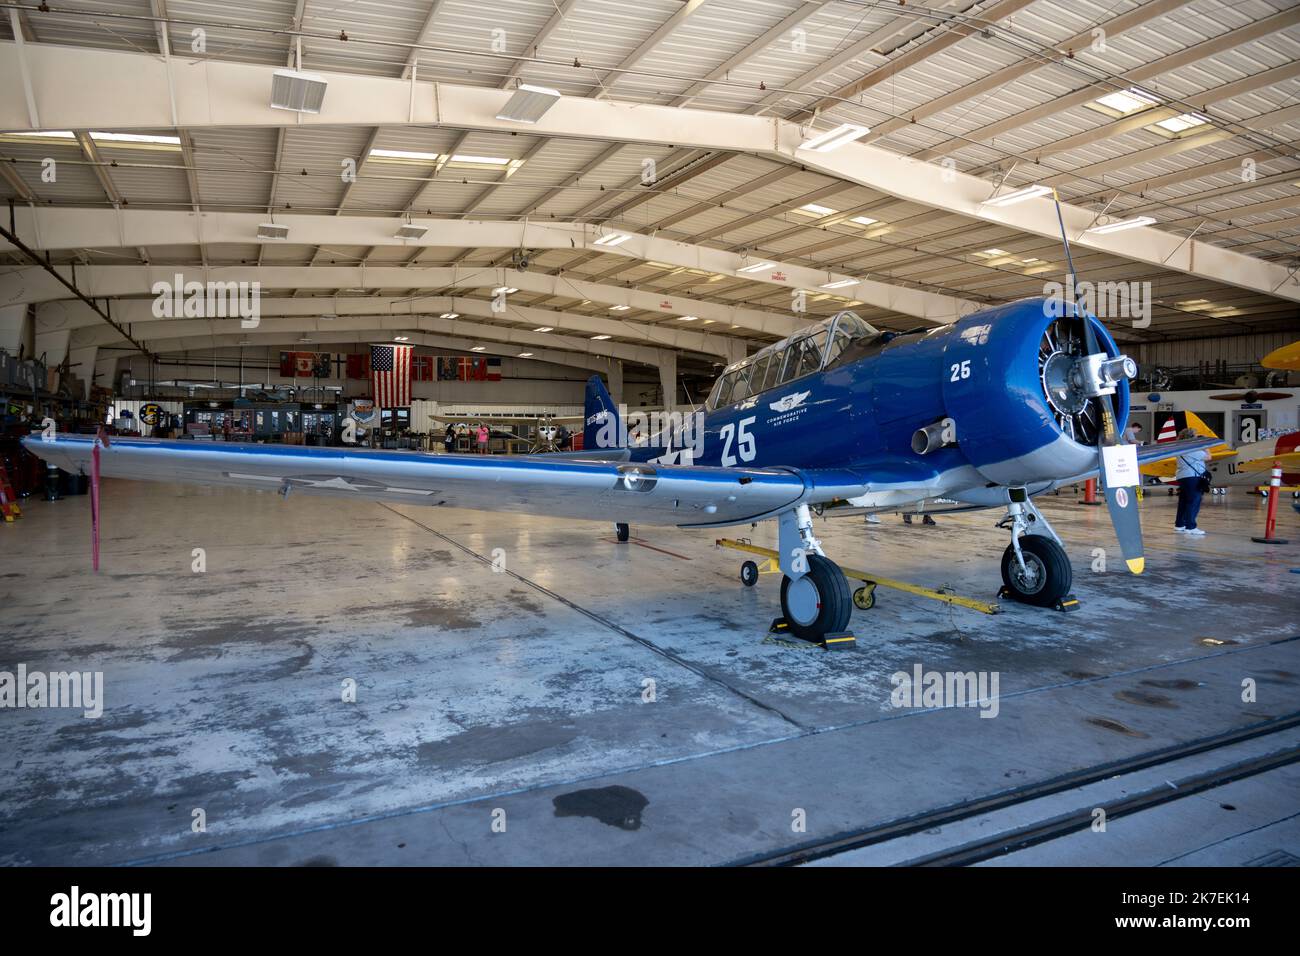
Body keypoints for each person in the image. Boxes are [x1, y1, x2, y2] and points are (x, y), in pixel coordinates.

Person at [1174, 427, 1210, 536]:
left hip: (1183, 477)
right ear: (1191, 438)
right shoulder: (1192, 450)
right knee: (1193, 501)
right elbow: (1208, 457)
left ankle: (1179, 524)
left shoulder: (1180, 448)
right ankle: (1191, 526)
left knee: (1184, 501)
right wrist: (1206, 445)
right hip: (1192, 477)